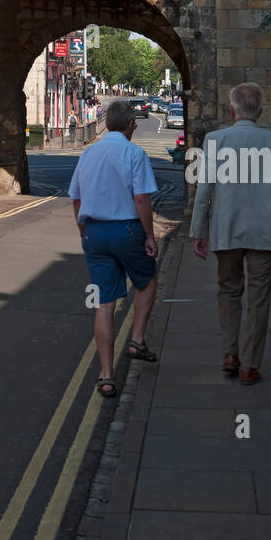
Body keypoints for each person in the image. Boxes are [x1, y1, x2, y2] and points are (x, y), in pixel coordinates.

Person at [190, 82, 271, 386]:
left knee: (228, 291)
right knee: (259, 297)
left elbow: (203, 192)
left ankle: (230, 354)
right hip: (266, 231)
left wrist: (198, 232)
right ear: (261, 112)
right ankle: (250, 365)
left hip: (226, 229)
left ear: (231, 109)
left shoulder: (215, 140)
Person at [69, 98, 159, 399]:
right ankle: (136, 338)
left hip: (94, 232)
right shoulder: (135, 153)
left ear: (106, 123)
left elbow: (76, 199)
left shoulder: (88, 153)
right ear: (131, 125)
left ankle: (107, 377)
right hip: (127, 230)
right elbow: (142, 200)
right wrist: (150, 236)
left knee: (104, 303)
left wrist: (84, 232)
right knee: (146, 281)